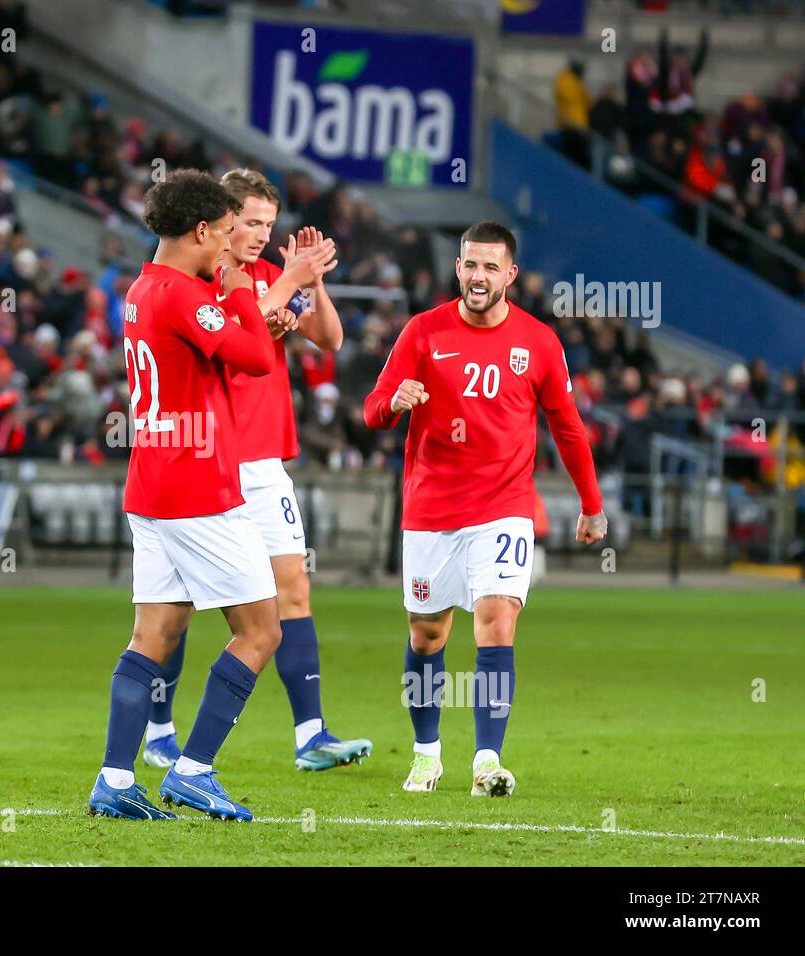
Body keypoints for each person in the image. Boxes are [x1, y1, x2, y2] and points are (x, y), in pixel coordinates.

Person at [364, 221, 608, 796]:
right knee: (427, 635)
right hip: (431, 507)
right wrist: (391, 404)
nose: (479, 277)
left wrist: (591, 504)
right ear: (458, 267)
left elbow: (567, 428)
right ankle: (427, 755)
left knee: (496, 622)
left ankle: (486, 761)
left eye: (491, 267)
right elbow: (373, 406)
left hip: (504, 505)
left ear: (510, 275)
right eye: (470, 265)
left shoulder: (540, 342)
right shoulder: (423, 332)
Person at [141, 168, 372, 773]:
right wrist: (281, 289)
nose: (260, 236)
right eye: (248, 222)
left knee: (293, 590)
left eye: (269, 225)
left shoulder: (273, 275)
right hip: (205, 461)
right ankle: (160, 730)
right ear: (217, 221)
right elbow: (239, 334)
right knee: (178, 607)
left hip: (264, 462)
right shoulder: (196, 279)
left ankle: (311, 734)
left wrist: (310, 281)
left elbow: (331, 338)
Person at [88, 169, 280, 822]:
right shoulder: (182, 294)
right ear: (201, 232)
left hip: (151, 483)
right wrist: (243, 292)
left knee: (156, 634)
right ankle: (193, 770)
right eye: (226, 235)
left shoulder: (143, 287)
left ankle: (115, 779)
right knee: (260, 630)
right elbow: (255, 357)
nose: (229, 248)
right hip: (196, 487)